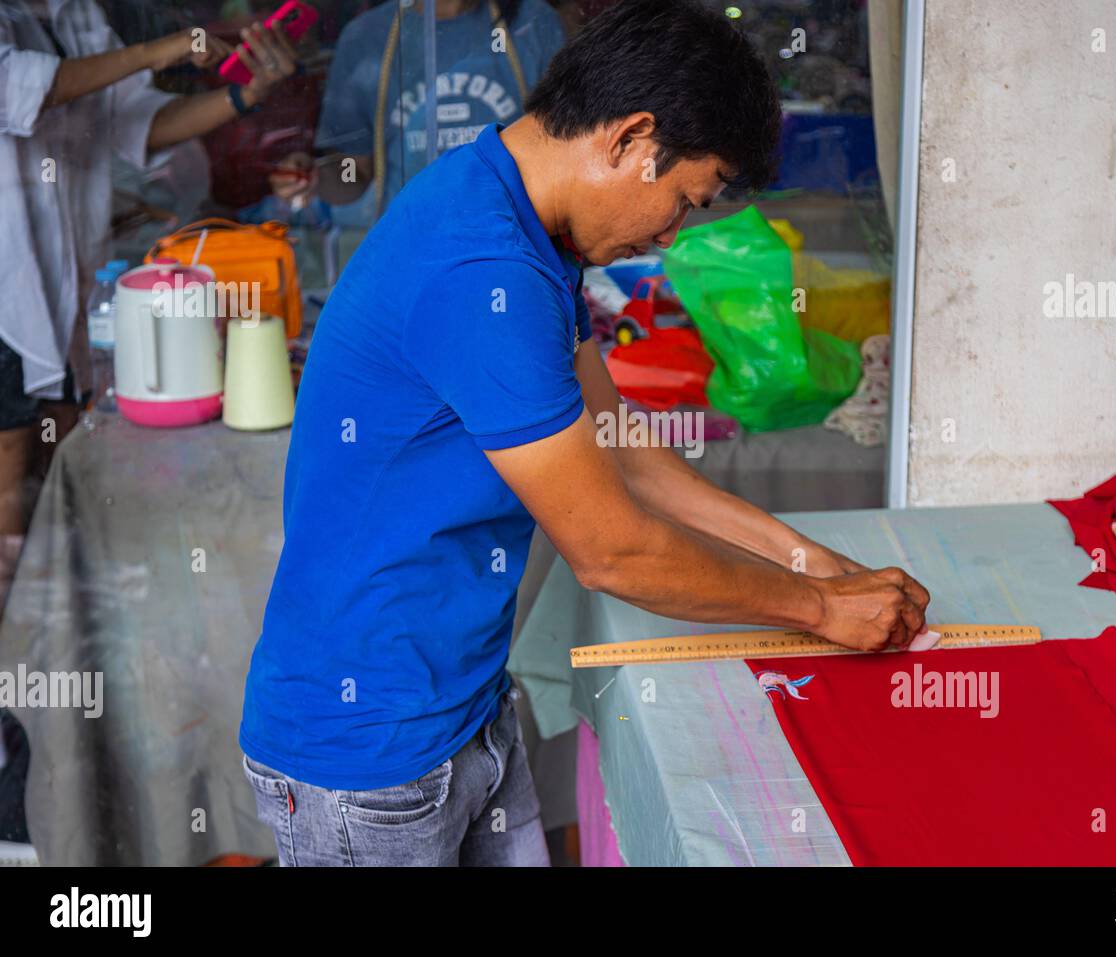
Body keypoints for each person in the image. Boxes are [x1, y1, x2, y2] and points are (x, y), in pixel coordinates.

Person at [239, 0, 931, 867]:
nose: (670, 236)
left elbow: (616, 440)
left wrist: (806, 558)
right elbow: (613, 551)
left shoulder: (523, 215)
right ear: (633, 138)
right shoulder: (481, 264)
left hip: (463, 705)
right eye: (683, 202)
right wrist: (822, 611)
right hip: (371, 754)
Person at [0, 1, 306, 606]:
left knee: (54, 473)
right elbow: (20, 88)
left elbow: (141, 123)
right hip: (8, 291)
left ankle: (41, 643)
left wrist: (249, 94)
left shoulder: (74, 14)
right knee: (9, 473)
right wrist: (163, 48)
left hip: (61, 294)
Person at [272, 0, 570, 224]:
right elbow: (356, 171)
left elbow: (563, 154)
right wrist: (315, 178)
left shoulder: (533, 24)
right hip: (411, 248)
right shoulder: (366, 38)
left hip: (513, 245)